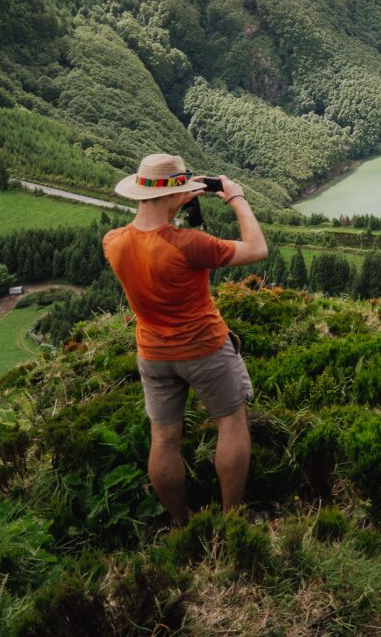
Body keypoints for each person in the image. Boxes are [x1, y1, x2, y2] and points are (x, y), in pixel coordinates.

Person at [102, 153, 269, 525]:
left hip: (154, 354)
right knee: (231, 422)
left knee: (163, 439)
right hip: (205, 348)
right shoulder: (189, 243)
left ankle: (180, 519)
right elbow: (257, 248)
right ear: (177, 195)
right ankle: (231, 516)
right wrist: (236, 198)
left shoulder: (113, 242)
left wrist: (179, 199)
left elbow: (152, 237)